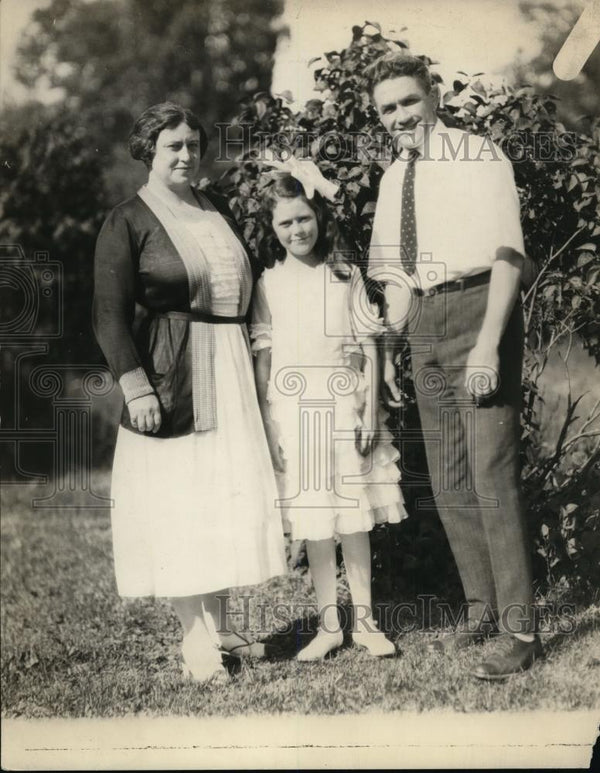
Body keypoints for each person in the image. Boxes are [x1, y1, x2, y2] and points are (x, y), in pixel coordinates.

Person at [93, 102, 287, 683]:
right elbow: (107, 317)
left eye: (192, 145)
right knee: (181, 507)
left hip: (228, 368)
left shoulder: (214, 208)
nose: (185, 154)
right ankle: (195, 642)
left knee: (221, 502)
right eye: (172, 146)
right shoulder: (127, 220)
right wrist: (136, 389)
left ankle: (223, 627)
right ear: (149, 153)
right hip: (170, 375)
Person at [365, 53, 543, 679]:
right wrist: (390, 352)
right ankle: (483, 608)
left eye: (408, 102)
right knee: (449, 475)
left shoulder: (479, 155)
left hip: (477, 312)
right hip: (423, 326)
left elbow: (507, 254)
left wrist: (490, 343)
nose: (399, 117)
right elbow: (391, 276)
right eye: (387, 109)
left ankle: (522, 630)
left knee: (493, 473)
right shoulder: (393, 179)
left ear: (433, 97)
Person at [251, 169, 407, 661]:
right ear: (272, 230)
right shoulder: (268, 283)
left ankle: (365, 621)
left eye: (304, 218)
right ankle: (328, 625)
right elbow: (263, 355)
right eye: (285, 224)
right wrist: (265, 417)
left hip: (345, 402)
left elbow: (369, 340)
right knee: (315, 518)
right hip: (292, 410)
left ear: (318, 215)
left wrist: (371, 412)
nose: (297, 231)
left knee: (354, 516)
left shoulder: (345, 275)